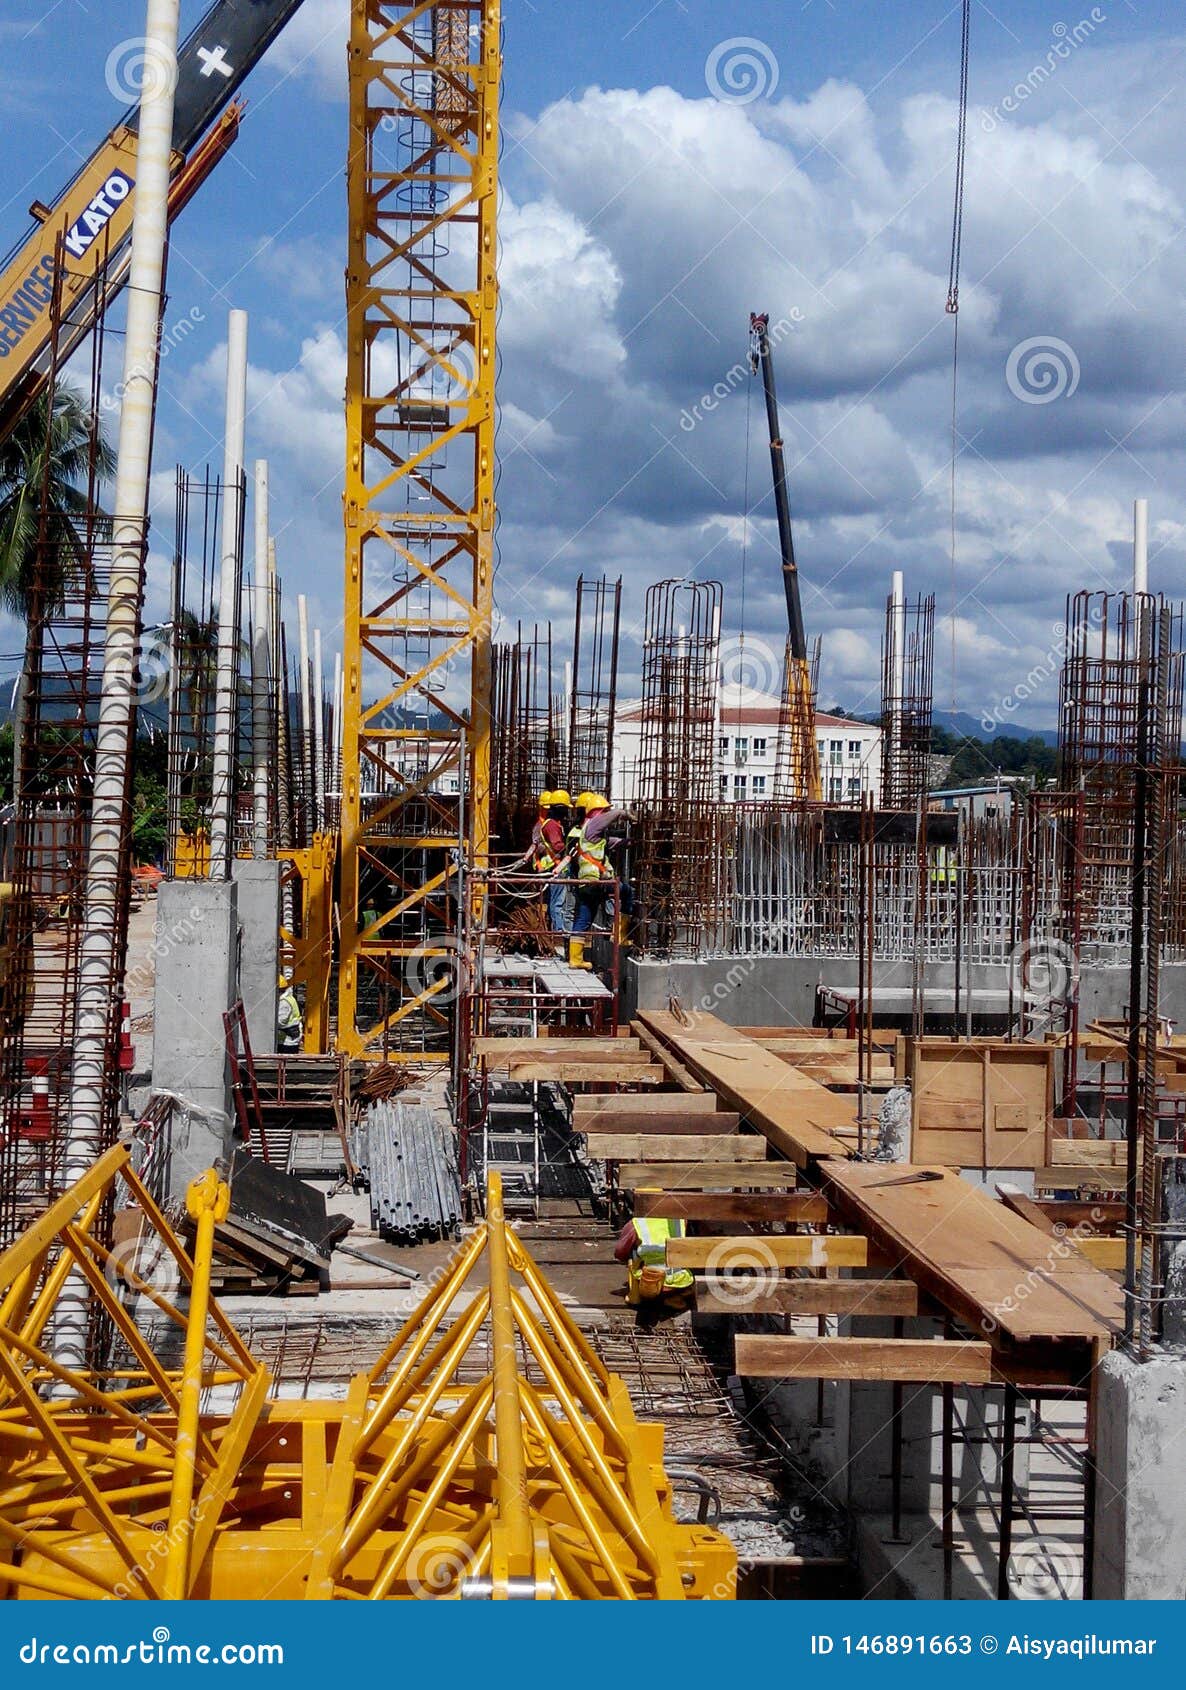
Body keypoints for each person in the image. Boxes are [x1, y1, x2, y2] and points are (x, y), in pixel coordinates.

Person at [568, 793, 634, 971]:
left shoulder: (593, 836)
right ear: (597, 811)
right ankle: (619, 934)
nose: (606, 812)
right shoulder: (593, 825)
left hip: (587, 884)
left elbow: (613, 843)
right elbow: (607, 818)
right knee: (626, 892)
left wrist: (628, 842)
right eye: (604, 810)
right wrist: (622, 813)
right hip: (595, 882)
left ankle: (575, 959)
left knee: (584, 918)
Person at [613, 1211, 695, 1308]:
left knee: (633, 1252)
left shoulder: (637, 1223)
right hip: (679, 1280)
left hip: (648, 1280)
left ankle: (634, 1296)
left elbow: (620, 1251)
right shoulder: (680, 1220)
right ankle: (674, 1298)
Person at [277, 974, 303, 1053]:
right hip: (289, 1038)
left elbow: (280, 1021)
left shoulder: (284, 1002)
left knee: (285, 1063)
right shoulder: (288, 998)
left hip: (287, 1041)